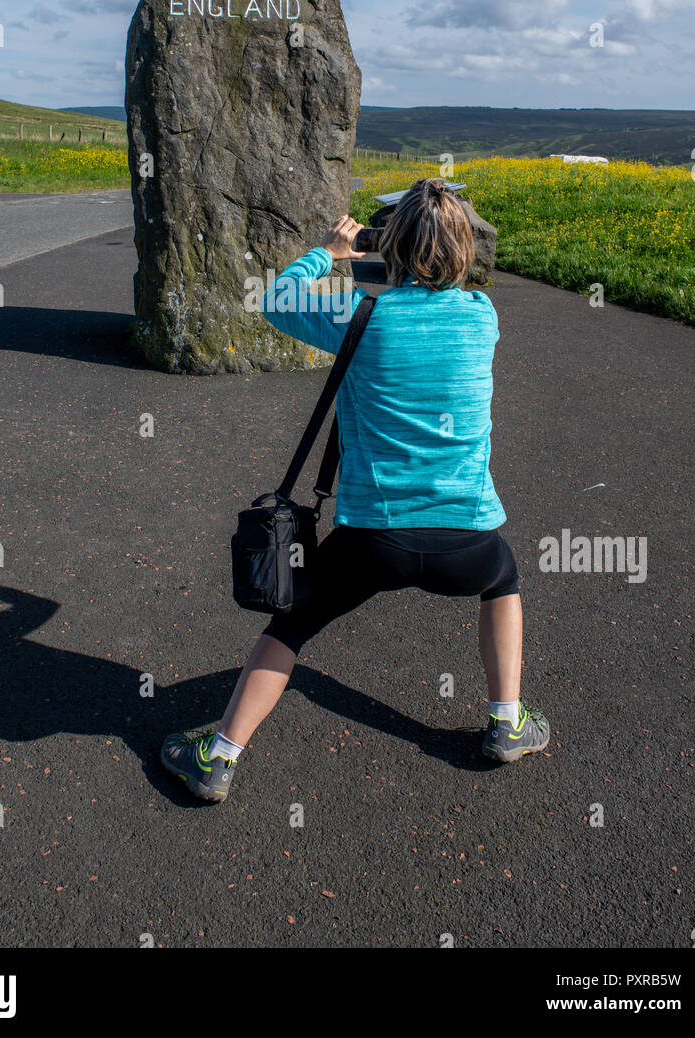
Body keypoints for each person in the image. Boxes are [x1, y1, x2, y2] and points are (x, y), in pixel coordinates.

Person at [161, 179, 549, 801]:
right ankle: (508, 722)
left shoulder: (359, 318)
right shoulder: (482, 317)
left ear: (386, 247)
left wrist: (331, 252)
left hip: (374, 540)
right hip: (466, 540)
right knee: (503, 580)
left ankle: (220, 756)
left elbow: (278, 299)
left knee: (290, 626)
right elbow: (447, 281)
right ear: (464, 252)